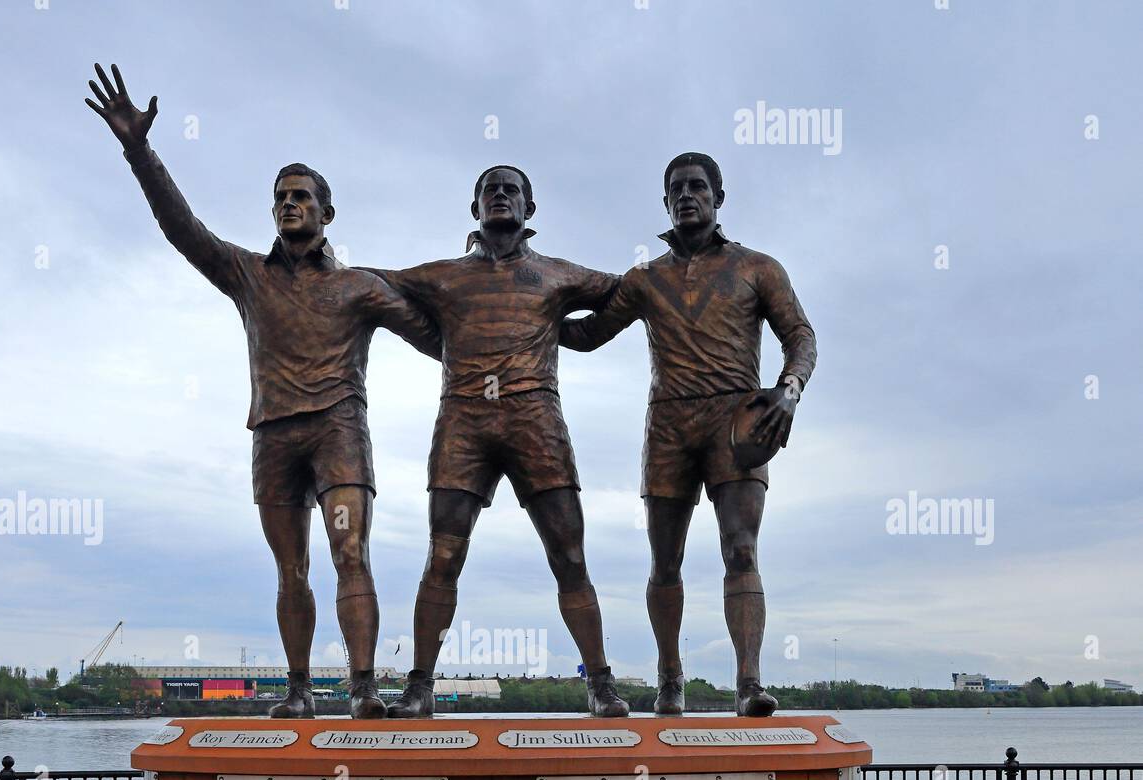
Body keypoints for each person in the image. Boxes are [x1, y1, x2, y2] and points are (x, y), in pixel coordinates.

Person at [85, 63, 441, 718]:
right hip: (274, 435)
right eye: (281, 196)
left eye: (302, 196)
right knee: (290, 571)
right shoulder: (249, 275)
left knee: (348, 550)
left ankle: (364, 689)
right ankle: (300, 692)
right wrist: (139, 151)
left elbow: (434, 337)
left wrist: (508, 346)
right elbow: (181, 228)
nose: (289, 203)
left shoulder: (359, 286)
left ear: (328, 213)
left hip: (338, 433)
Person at [368, 166, 629, 719]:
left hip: (537, 422)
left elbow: (631, 292)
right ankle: (419, 685)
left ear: (530, 209)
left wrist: (578, 335)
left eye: (512, 190)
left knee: (570, 556)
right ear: (475, 209)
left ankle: (600, 684)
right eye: (491, 190)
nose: (501, 196)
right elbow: (370, 283)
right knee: (443, 555)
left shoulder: (559, 275)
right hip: (463, 424)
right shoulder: (443, 276)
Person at [561, 152, 817, 716]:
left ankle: (748, 683)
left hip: (737, 422)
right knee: (664, 561)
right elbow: (585, 336)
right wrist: (523, 307)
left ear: (718, 197)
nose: (686, 196)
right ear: (665, 202)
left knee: (741, 549)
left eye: (697, 187)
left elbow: (799, 334)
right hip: (670, 427)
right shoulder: (646, 279)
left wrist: (788, 391)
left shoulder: (758, 268)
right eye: (676, 189)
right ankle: (670, 676)